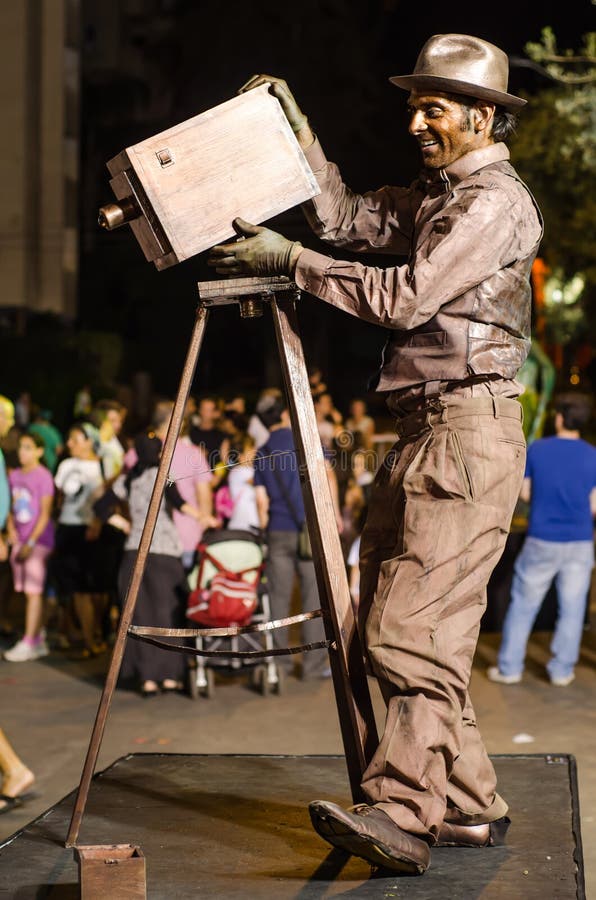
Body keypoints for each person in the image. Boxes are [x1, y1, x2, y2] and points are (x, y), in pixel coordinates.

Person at [209, 34, 543, 874]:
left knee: (409, 628)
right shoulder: (438, 196)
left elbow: (404, 297)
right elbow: (348, 218)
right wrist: (301, 136)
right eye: (413, 105)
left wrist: (291, 262)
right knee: (390, 630)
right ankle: (468, 803)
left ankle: (403, 811)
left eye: (435, 108)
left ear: (484, 115)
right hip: (426, 430)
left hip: (465, 432)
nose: (417, 120)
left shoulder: (491, 202)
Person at [488, 397, 596, 687]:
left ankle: (510, 668)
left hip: (542, 539)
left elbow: (524, 493)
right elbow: (595, 505)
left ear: (559, 417)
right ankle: (561, 671)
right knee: (572, 609)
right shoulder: (592, 455)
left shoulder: (538, 449)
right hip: (580, 542)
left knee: (523, 605)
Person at [253, 397, 327, 680]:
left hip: (278, 531)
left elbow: (261, 503)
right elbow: (325, 482)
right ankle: (313, 666)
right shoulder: (306, 443)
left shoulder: (261, 453)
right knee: (312, 599)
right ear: (284, 414)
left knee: (278, 599)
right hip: (308, 530)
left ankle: (279, 665)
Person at [4, 433, 54, 662]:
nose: (23, 452)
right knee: (25, 590)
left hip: (38, 540)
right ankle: (38, 636)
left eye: (28, 447)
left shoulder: (43, 476)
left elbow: (45, 513)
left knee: (33, 590)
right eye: (21, 448)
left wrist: (32, 542)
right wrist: (12, 530)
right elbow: (10, 507)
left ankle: (30, 641)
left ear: (39, 451)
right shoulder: (13, 475)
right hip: (20, 539)